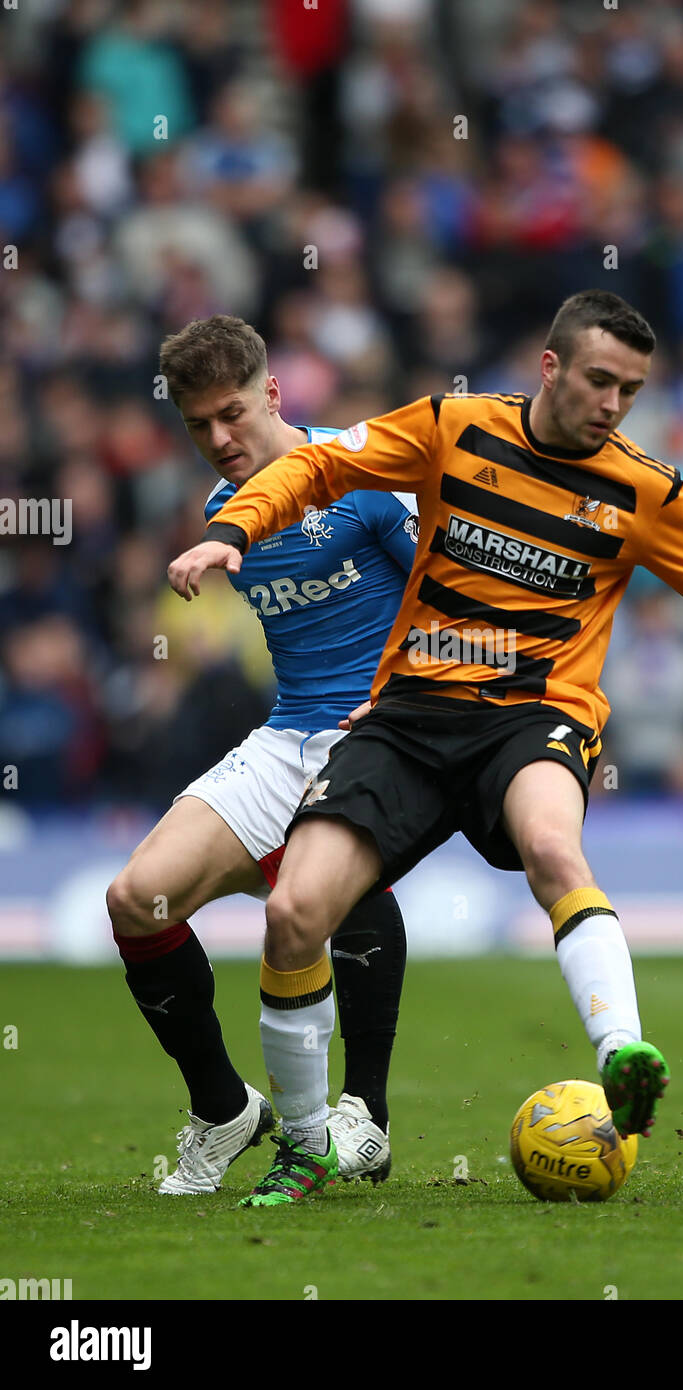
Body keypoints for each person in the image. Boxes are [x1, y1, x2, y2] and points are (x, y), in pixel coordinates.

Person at [168, 290, 683, 1207]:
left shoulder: (646, 491)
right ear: (550, 367)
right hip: (409, 715)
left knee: (551, 845)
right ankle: (304, 1148)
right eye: (598, 381)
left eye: (630, 388)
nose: (614, 404)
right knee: (294, 911)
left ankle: (622, 1053)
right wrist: (230, 532)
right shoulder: (452, 427)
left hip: (532, 717)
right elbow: (314, 468)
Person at [107, 315, 418, 1196]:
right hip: (290, 734)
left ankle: (365, 1112)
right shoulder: (221, 514)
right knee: (137, 901)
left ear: (275, 393)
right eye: (198, 425)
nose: (218, 439)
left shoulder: (364, 478)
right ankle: (223, 1108)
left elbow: (444, 595)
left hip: (383, 726)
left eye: (233, 414)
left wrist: (409, 702)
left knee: (320, 893)